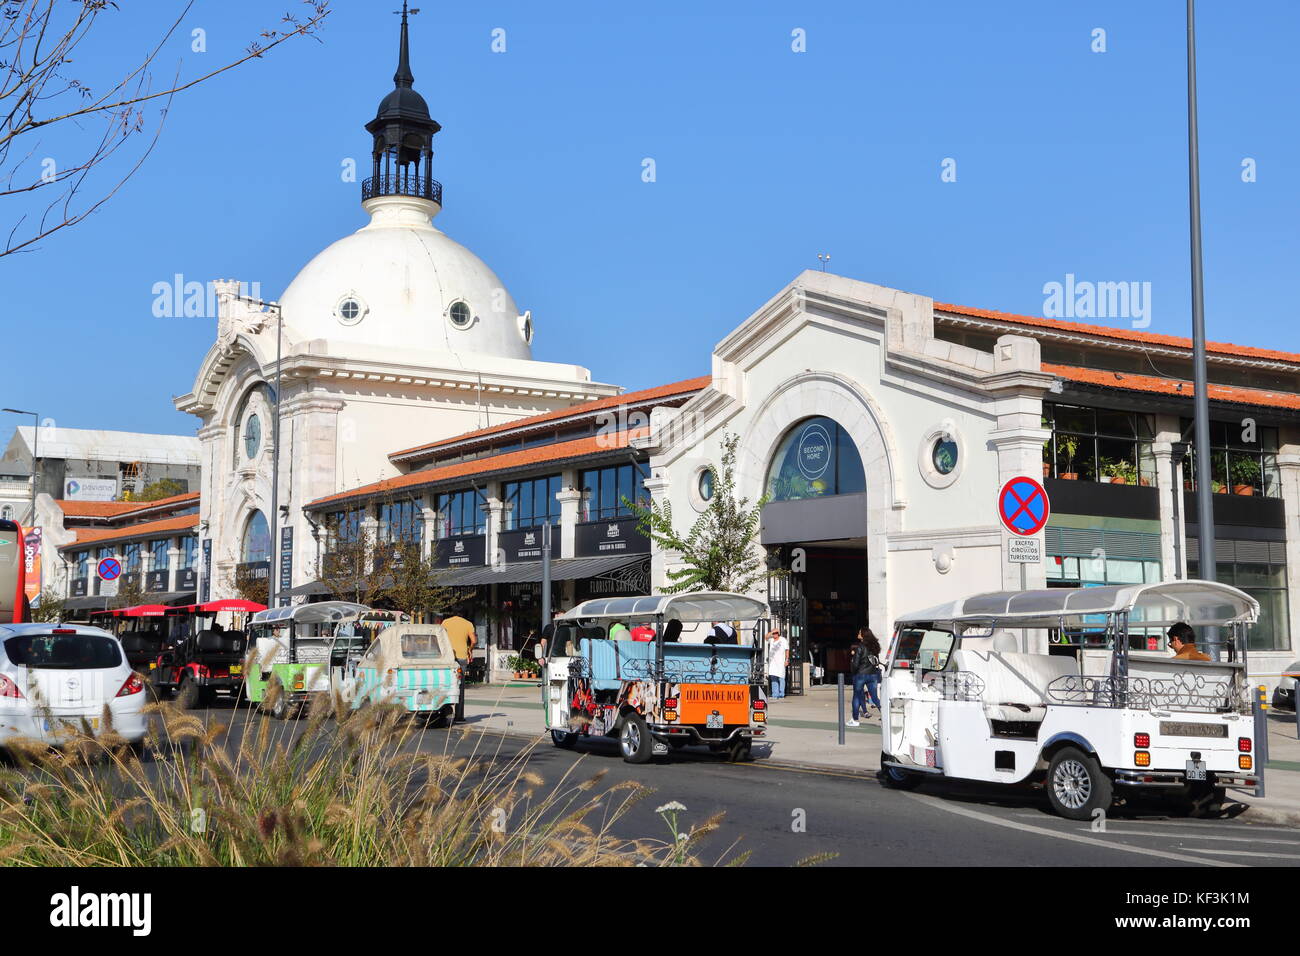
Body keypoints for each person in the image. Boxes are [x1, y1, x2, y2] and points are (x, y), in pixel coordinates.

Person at [846, 628, 883, 725]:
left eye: (859, 632)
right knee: (875, 697)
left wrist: (853, 672)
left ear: (863, 635)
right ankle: (885, 716)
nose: (858, 634)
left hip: (861, 674)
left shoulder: (860, 647)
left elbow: (856, 663)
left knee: (856, 696)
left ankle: (855, 720)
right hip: (872, 674)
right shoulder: (875, 646)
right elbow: (876, 660)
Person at [764, 627, 789, 700]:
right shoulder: (771, 640)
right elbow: (765, 637)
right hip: (773, 663)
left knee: (781, 678)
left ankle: (781, 694)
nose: (775, 634)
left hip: (781, 662)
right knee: (773, 678)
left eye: (776, 633)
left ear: (779, 633)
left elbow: (787, 650)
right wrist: (771, 632)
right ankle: (775, 694)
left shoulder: (783, 640)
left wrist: (787, 660)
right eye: (774, 633)